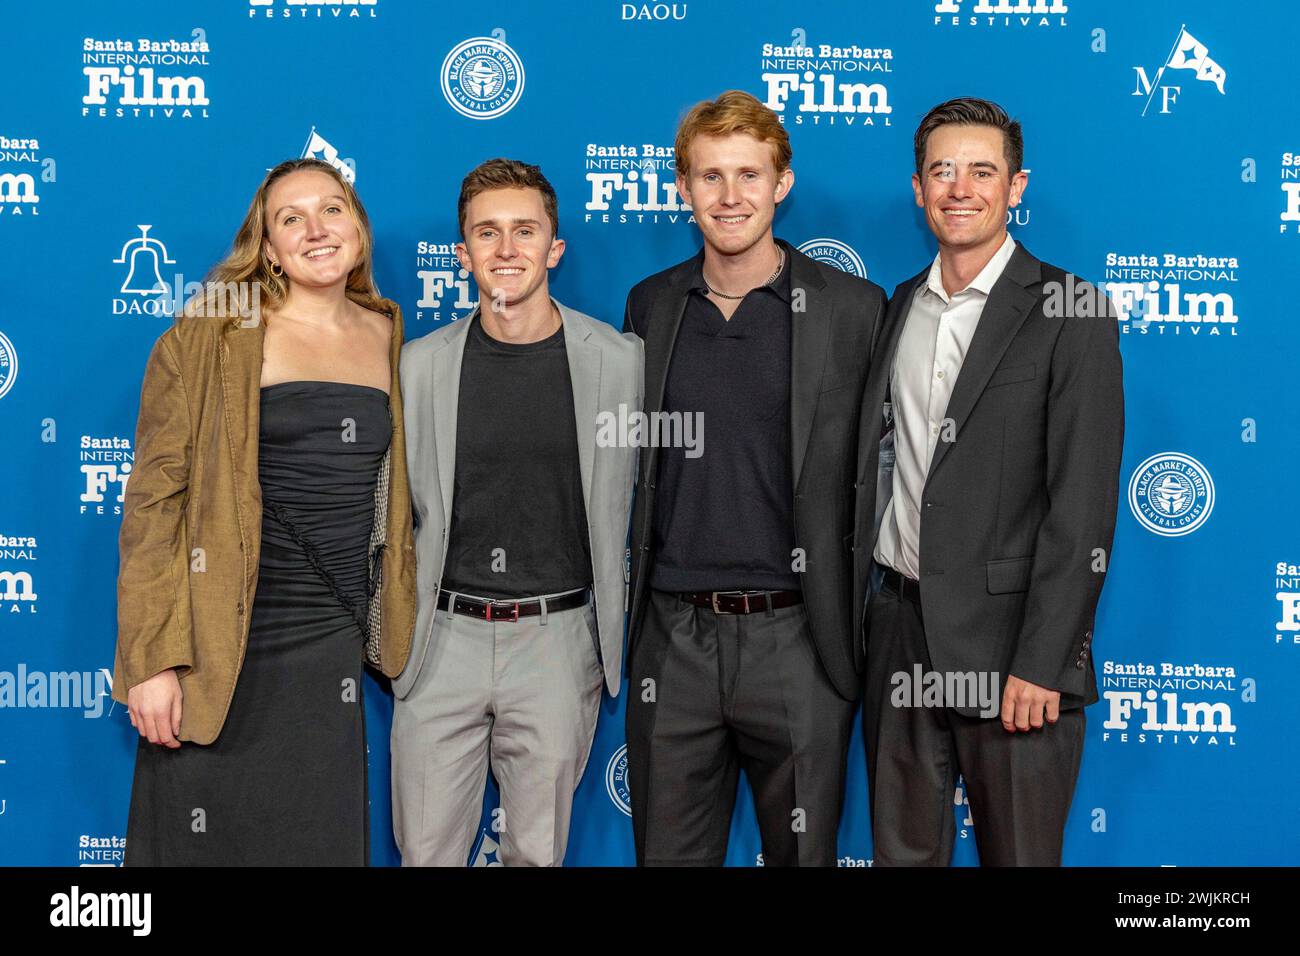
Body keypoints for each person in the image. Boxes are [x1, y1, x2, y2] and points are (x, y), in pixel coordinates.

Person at [112, 157, 417, 865]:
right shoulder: (208, 336)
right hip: (220, 644)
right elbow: (155, 504)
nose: (316, 229)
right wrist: (152, 661)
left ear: (359, 228)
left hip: (331, 646)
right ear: (270, 249)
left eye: (332, 209)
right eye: (291, 218)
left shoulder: (391, 334)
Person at [855, 97, 1124, 866]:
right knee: (901, 853)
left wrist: (1045, 663)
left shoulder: (1072, 311)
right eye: (941, 170)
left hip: (1014, 652)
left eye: (982, 170)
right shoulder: (896, 307)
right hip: (900, 635)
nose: (959, 187)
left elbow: (1083, 509)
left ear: (1016, 186)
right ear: (917, 188)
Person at [622, 91, 886, 866]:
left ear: (783, 184)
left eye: (748, 175)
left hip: (799, 636)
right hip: (674, 638)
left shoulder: (852, 308)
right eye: (710, 177)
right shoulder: (652, 304)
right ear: (683, 189)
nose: (729, 196)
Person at [391, 158, 642, 866]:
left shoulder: (620, 362)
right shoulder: (417, 366)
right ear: (463, 252)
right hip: (440, 641)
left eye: (524, 231)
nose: (506, 250)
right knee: (428, 855)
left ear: (554, 249)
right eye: (487, 233)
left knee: (537, 856)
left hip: (559, 643)